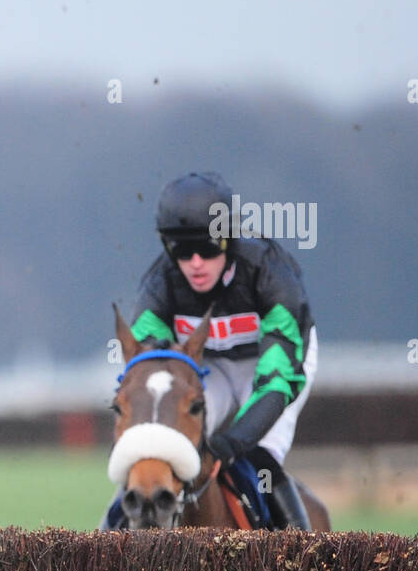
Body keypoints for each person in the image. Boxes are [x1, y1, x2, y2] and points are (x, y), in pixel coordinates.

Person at [103, 171, 318, 529]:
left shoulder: (271, 275)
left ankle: (306, 555)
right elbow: (141, 367)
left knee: (260, 458)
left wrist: (231, 443)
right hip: (210, 366)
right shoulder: (159, 287)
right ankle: (103, 545)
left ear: (230, 239)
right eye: (183, 251)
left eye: (208, 247)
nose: (196, 263)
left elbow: (277, 382)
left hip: (277, 367)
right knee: (159, 452)